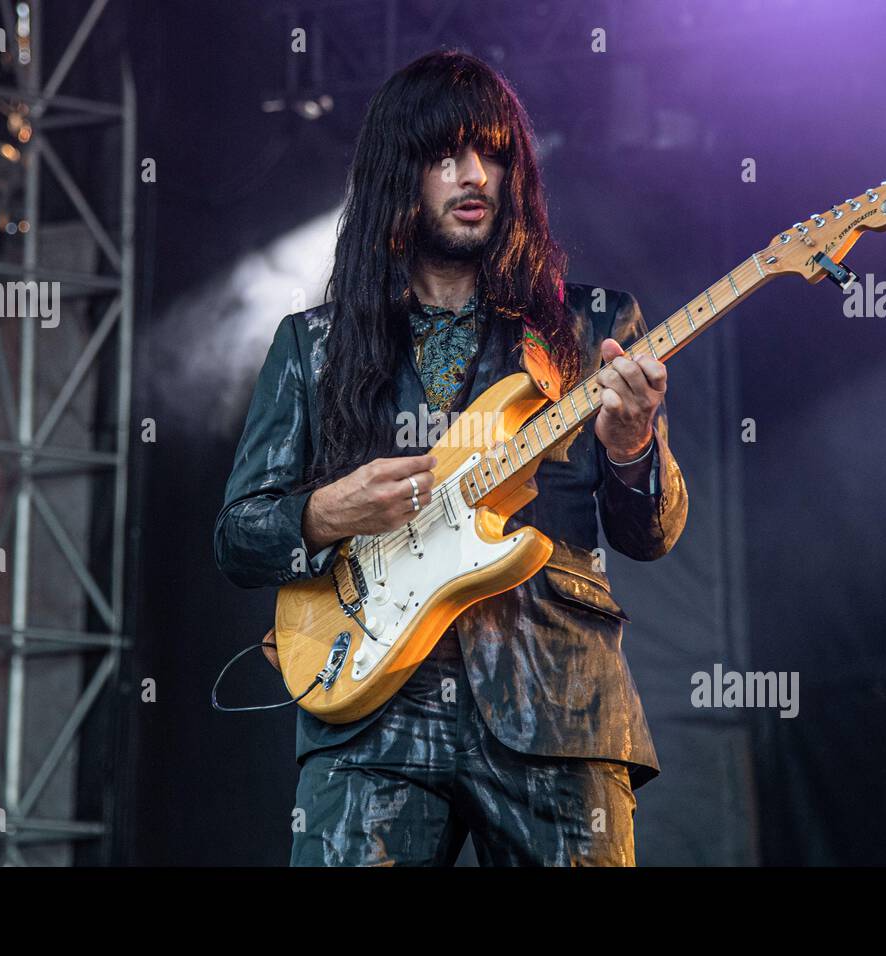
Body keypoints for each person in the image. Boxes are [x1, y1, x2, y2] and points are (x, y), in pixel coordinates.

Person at [215, 50, 687, 866]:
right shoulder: (314, 346)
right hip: (372, 709)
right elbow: (237, 537)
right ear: (401, 174)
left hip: (559, 702)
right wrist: (330, 510)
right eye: (444, 155)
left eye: (492, 154)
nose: (473, 175)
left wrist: (632, 444)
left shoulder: (590, 327)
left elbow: (649, 535)